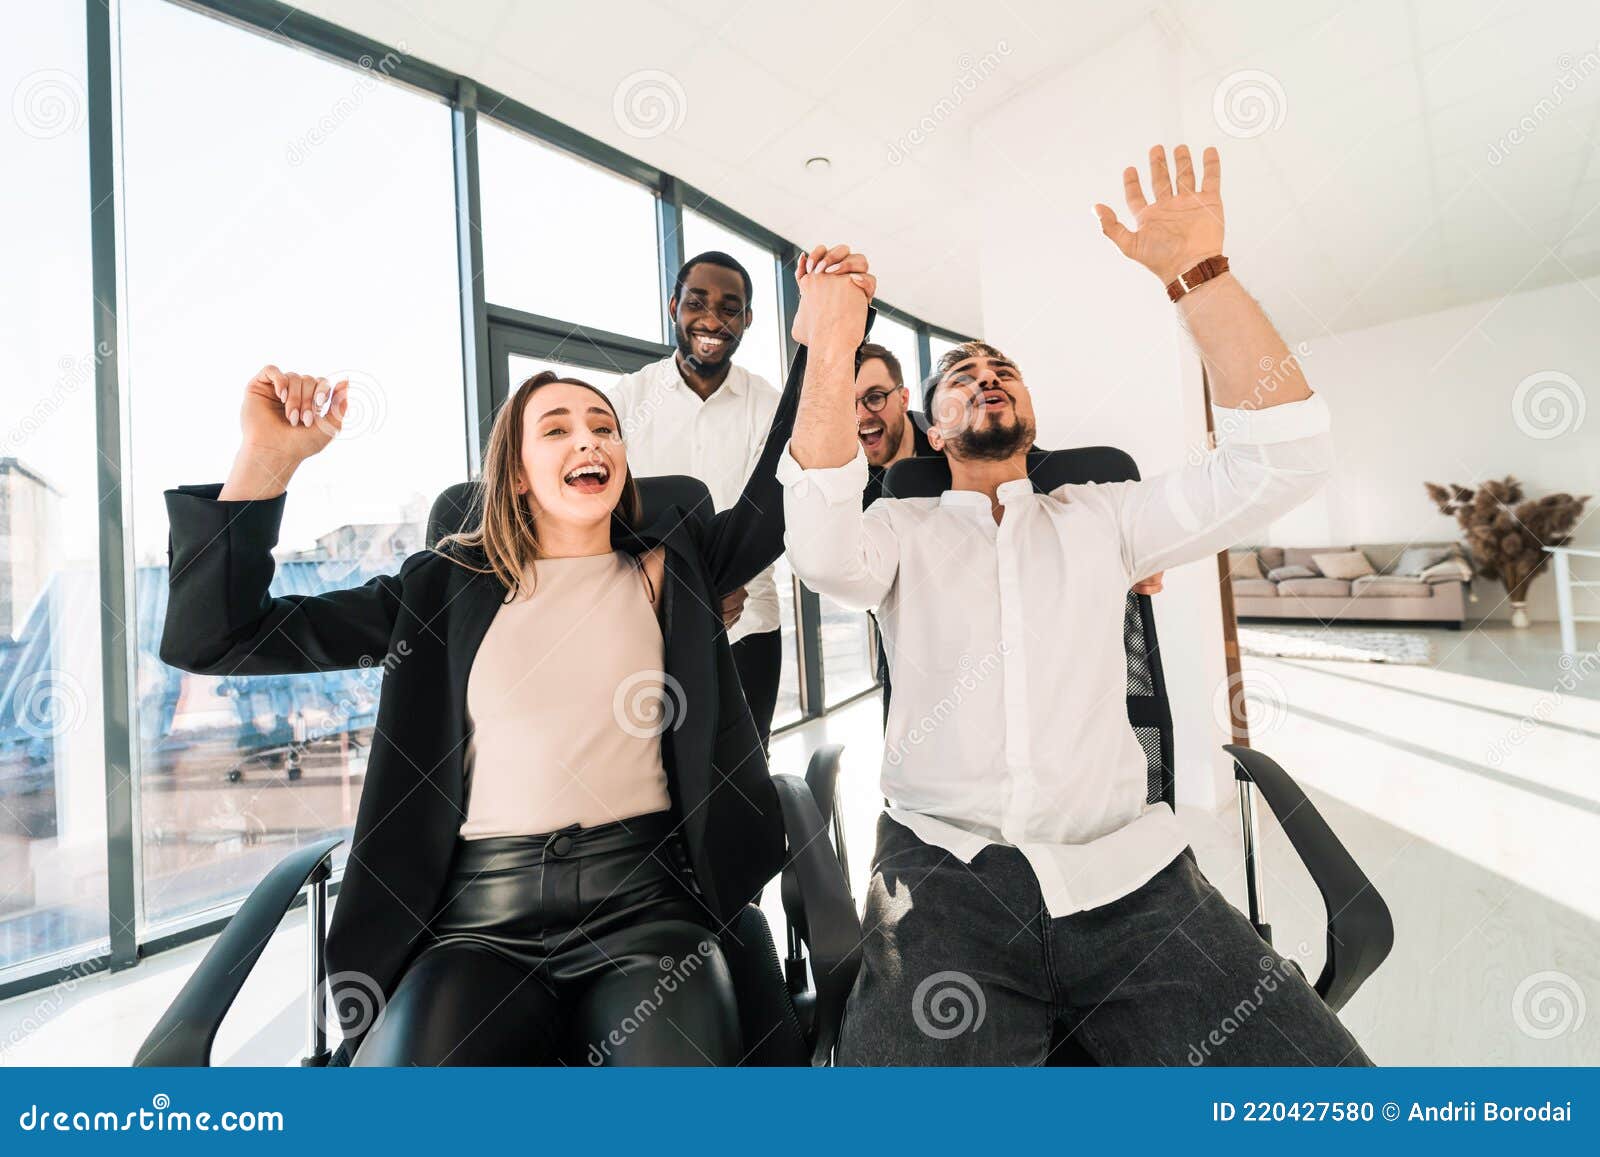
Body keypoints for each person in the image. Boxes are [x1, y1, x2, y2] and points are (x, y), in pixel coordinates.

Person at [157, 252, 873, 1066]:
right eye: (558, 428)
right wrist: (266, 465)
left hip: (647, 910)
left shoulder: (677, 565)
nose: (589, 438)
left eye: (604, 427)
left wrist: (826, 340)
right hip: (474, 924)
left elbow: (786, 487)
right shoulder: (440, 589)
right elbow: (217, 639)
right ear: (519, 471)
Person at [777, 146, 1371, 1065]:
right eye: (960, 374)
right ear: (934, 428)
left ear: (1033, 418)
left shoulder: (1104, 516)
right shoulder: (900, 526)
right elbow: (819, 545)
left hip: (1134, 881)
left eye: (1000, 368)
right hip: (941, 883)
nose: (984, 375)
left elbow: (1282, 462)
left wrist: (1197, 277)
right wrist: (827, 344)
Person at [611, 251, 785, 754]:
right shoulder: (626, 400)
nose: (712, 320)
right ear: (673, 307)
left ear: (748, 319)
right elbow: (611, 510)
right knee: (655, 775)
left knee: (747, 771)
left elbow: (769, 510)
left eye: (730, 308)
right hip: (646, 623)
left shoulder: (768, 406)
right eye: (697, 303)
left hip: (747, 623)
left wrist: (723, 583)